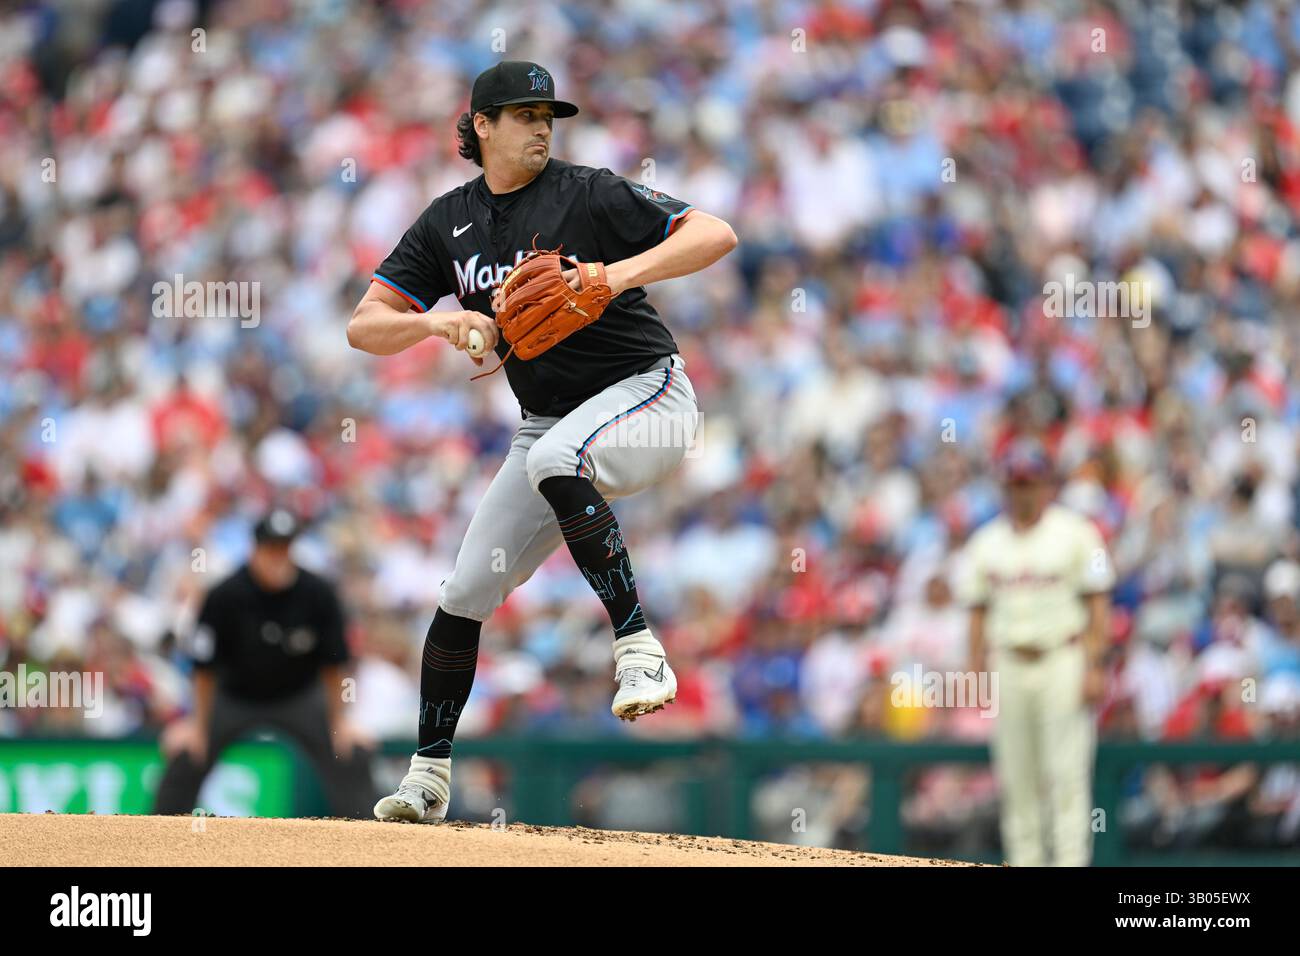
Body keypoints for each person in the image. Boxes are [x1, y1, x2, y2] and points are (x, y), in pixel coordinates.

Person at [347, 61, 737, 823]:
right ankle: (428, 775)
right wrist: (435, 321)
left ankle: (636, 647)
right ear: (481, 127)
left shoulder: (587, 190)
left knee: (562, 459)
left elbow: (715, 233)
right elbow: (363, 326)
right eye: (523, 114)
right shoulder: (446, 223)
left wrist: (610, 277)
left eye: (547, 114)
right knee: (463, 591)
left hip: (647, 394)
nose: (540, 127)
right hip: (549, 423)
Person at [153, 510, 377, 818]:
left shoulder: (317, 593)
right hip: (234, 697)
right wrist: (197, 725)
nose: (277, 557)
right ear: (254, 549)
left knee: (350, 753)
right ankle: (158, 835)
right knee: (187, 753)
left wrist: (340, 722)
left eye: (284, 548)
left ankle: (372, 841)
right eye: (270, 548)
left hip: (300, 696)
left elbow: (334, 666)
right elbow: (203, 668)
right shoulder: (225, 595)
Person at [958, 440, 1114, 865]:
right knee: (1016, 781)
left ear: (1047, 484)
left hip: (1062, 658)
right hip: (1007, 661)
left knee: (1066, 777)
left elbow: (1098, 601)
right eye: (1014, 483)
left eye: (1029, 482)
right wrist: (974, 673)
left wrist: (1096, 665)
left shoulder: (1079, 533)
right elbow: (976, 611)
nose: (1022, 491)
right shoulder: (985, 542)